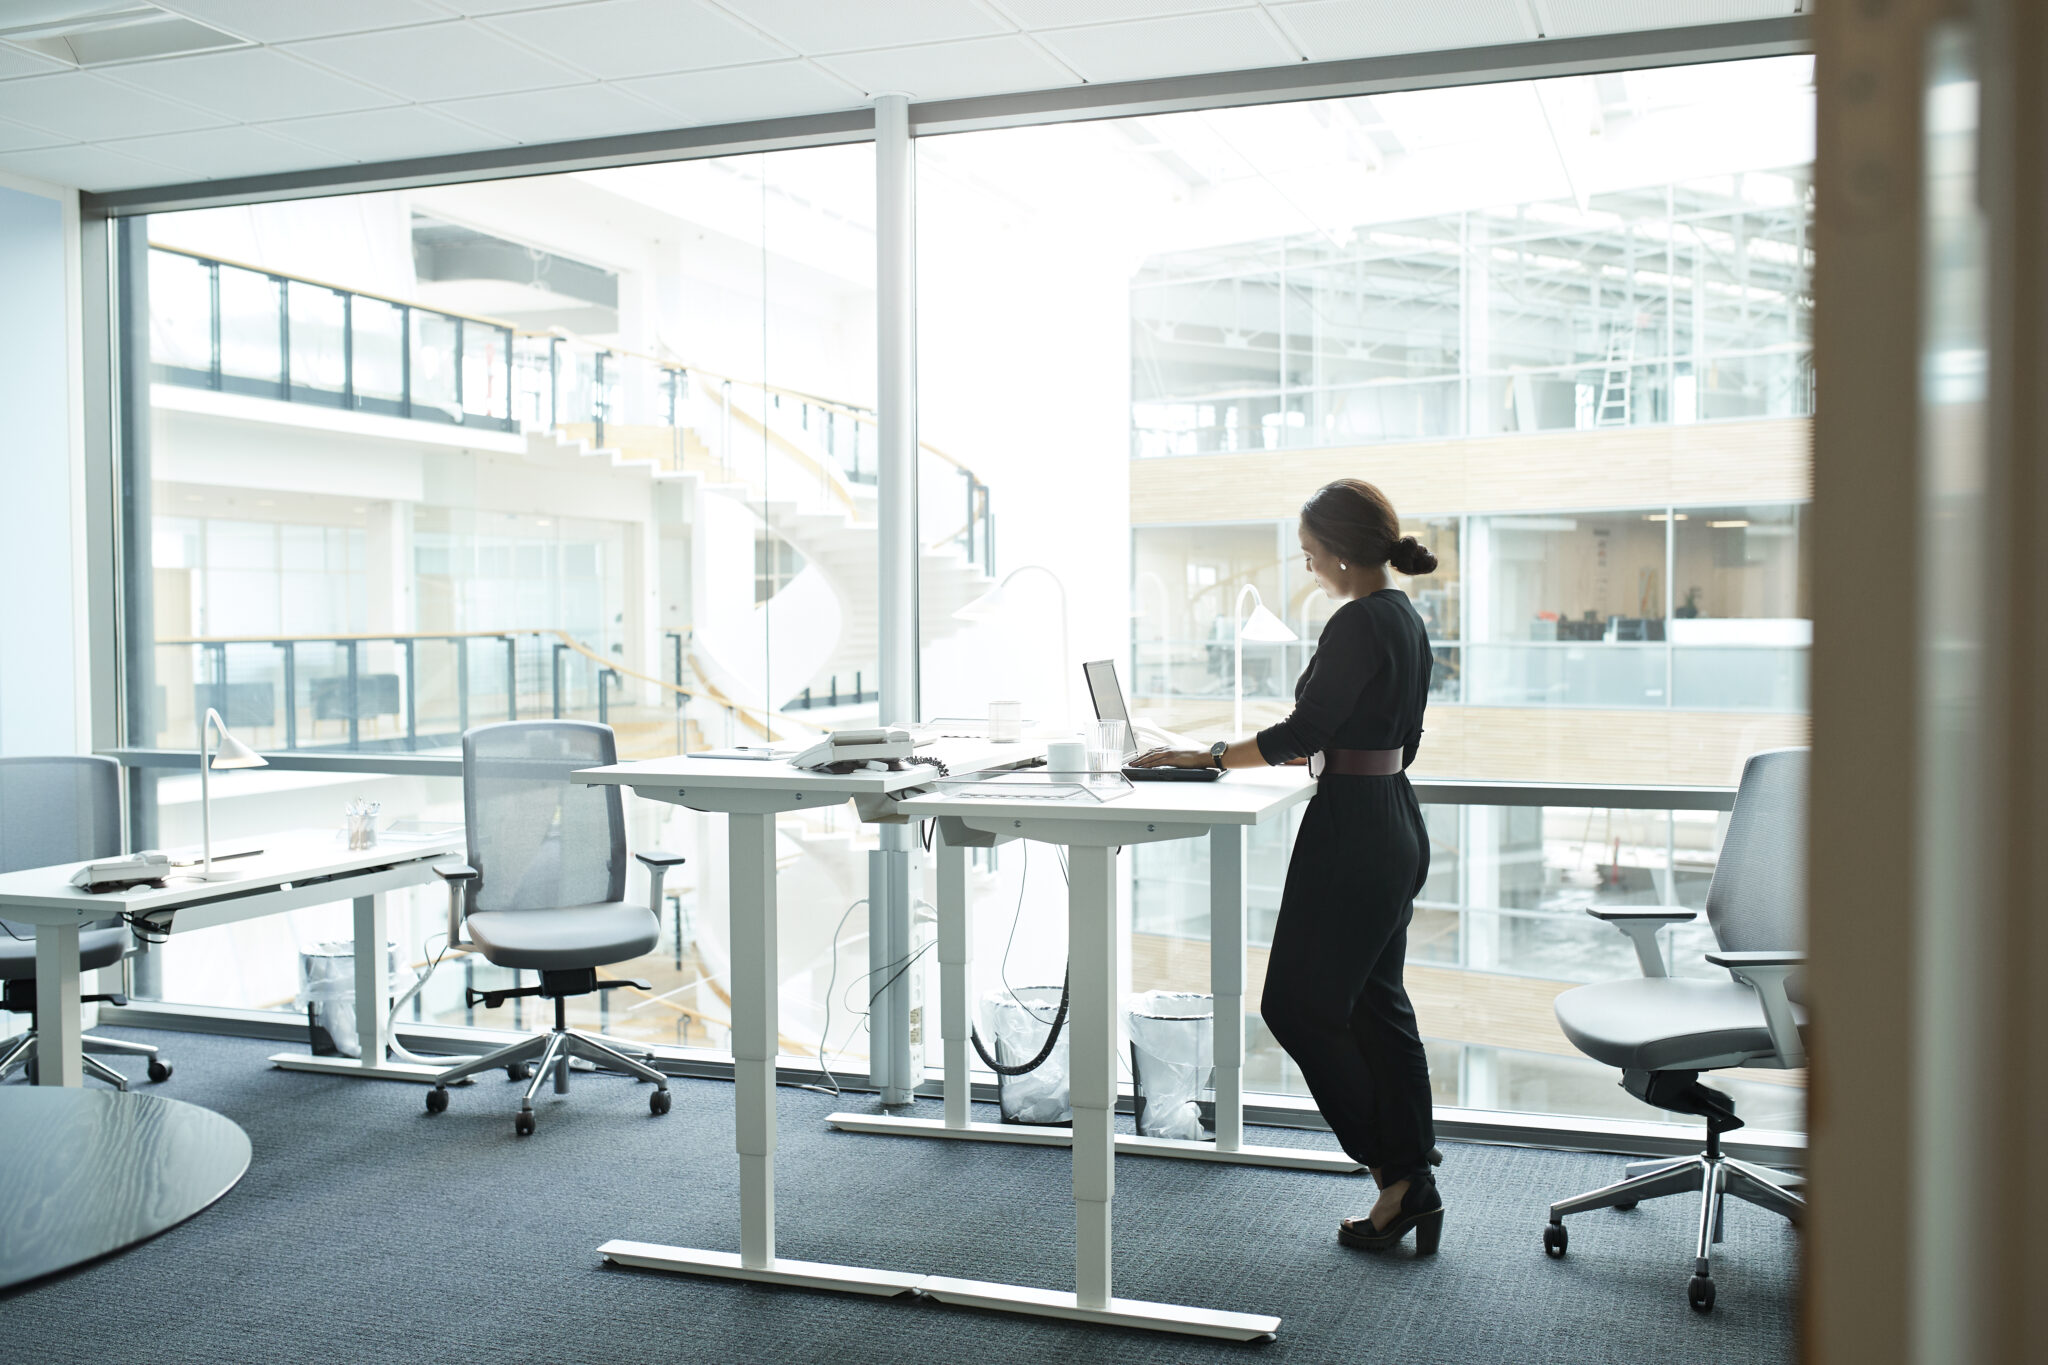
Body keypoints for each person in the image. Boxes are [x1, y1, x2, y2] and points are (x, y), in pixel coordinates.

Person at [1132, 478, 1443, 1254]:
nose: (1308, 565)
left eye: (1310, 553)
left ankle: (1399, 1175)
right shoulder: (1405, 616)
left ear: (1339, 550)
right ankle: (1410, 1178)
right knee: (1377, 1003)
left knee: (1295, 1008)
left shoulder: (1358, 620)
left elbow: (1304, 730)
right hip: (1395, 817)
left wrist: (1202, 754)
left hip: (1354, 829)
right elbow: (1387, 732)